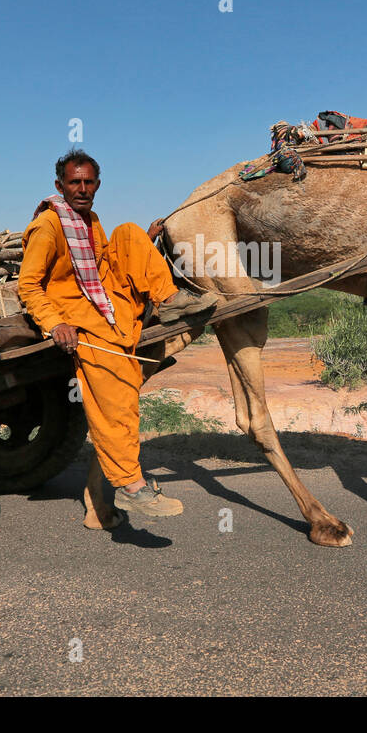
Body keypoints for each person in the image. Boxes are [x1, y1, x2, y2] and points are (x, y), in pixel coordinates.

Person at [17, 149, 218, 519]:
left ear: (97, 184)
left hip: (105, 301)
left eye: (88, 182)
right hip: (77, 317)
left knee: (127, 233)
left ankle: (171, 298)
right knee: (115, 395)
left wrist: (144, 239)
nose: (82, 189)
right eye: (74, 182)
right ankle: (129, 485)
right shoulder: (47, 227)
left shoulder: (90, 220)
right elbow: (29, 286)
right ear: (59, 185)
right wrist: (55, 323)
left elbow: (104, 261)